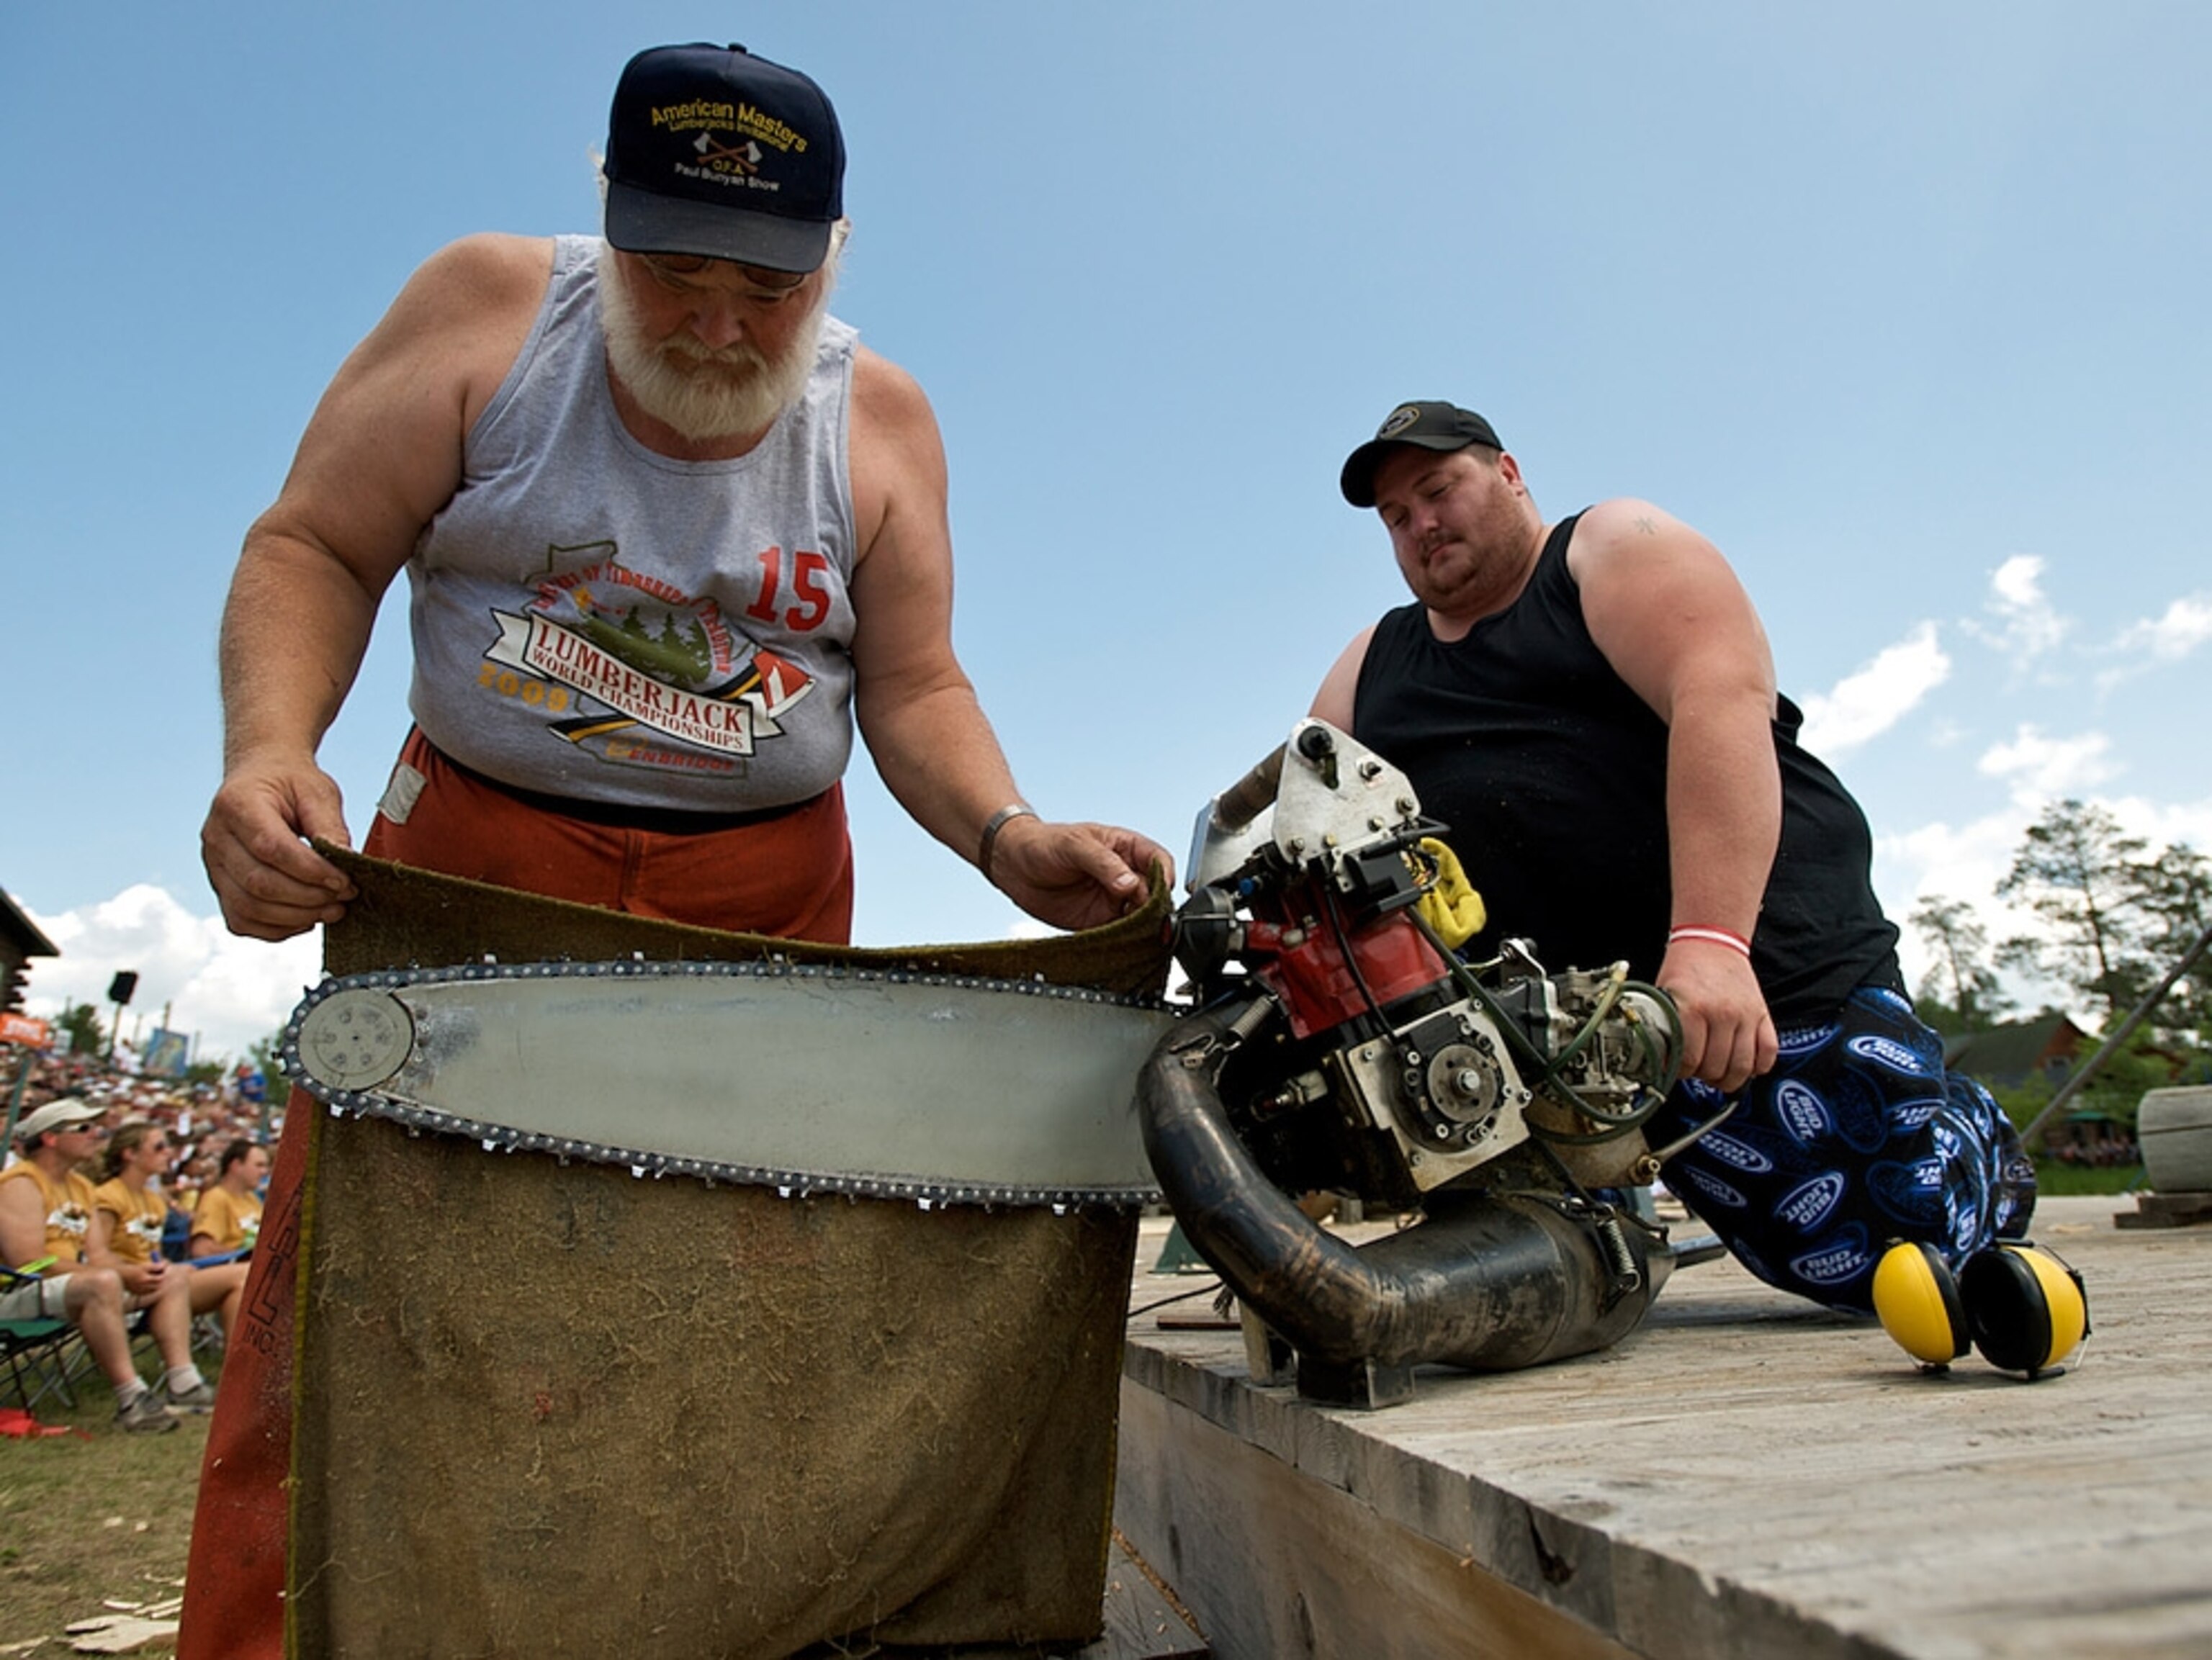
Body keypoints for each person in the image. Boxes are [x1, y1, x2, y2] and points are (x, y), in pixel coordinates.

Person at [185, 42, 1171, 1659]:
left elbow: (914, 683)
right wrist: (269, 752)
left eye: (767, 285)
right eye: (675, 269)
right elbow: (314, 541)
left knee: (742, 1329)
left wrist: (1008, 834)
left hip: (761, 908)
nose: (717, 321)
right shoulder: (492, 314)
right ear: (605, 218)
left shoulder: (884, 420)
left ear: (835, 258)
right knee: (350, 1313)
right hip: (475, 886)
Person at [1314, 401, 2034, 1315]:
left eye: (1437, 488)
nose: (1420, 523)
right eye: (1394, 516)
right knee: (1593, 1266)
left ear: (1507, 474)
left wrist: (1708, 940)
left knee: (1885, 1253)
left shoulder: (1610, 546)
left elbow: (1723, 694)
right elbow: (1306, 808)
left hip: (1759, 963)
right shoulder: (1376, 657)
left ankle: (1972, 1129)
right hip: (1573, 1032)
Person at [0, 1099, 217, 1431]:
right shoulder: (21, 1183)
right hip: (18, 1292)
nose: (96, 1135)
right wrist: (112, 1275)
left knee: (170, 1278)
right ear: (50, 1138)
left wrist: (133, 1273)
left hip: (66, 1289)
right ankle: (132, 1399)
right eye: (84, 1128)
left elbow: (99, 1256)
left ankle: (183, 1382)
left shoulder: (82, 1187)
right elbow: (29, 1261)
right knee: (102, 1283)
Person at [89, 1122, 249, 1336]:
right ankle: (191, 1366)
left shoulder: (153, 1201)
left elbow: (153, 1254)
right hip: (121, 1287)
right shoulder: (107, 1196)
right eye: (159, 1147)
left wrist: (166, 1267)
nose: (168, 1152)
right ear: (130, 1154)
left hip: (156, 1284)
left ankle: (236, 1365)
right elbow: (96, 1256)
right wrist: (137, 1271)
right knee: (246, 1275)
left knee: (244, 1281)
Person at [187, 1138, 266, 1263]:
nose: (264, 1172)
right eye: (259, 1165)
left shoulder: (252, 1198)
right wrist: (245, 1258)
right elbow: (202, 1248)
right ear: (236, 1166)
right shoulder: (216, 1198)